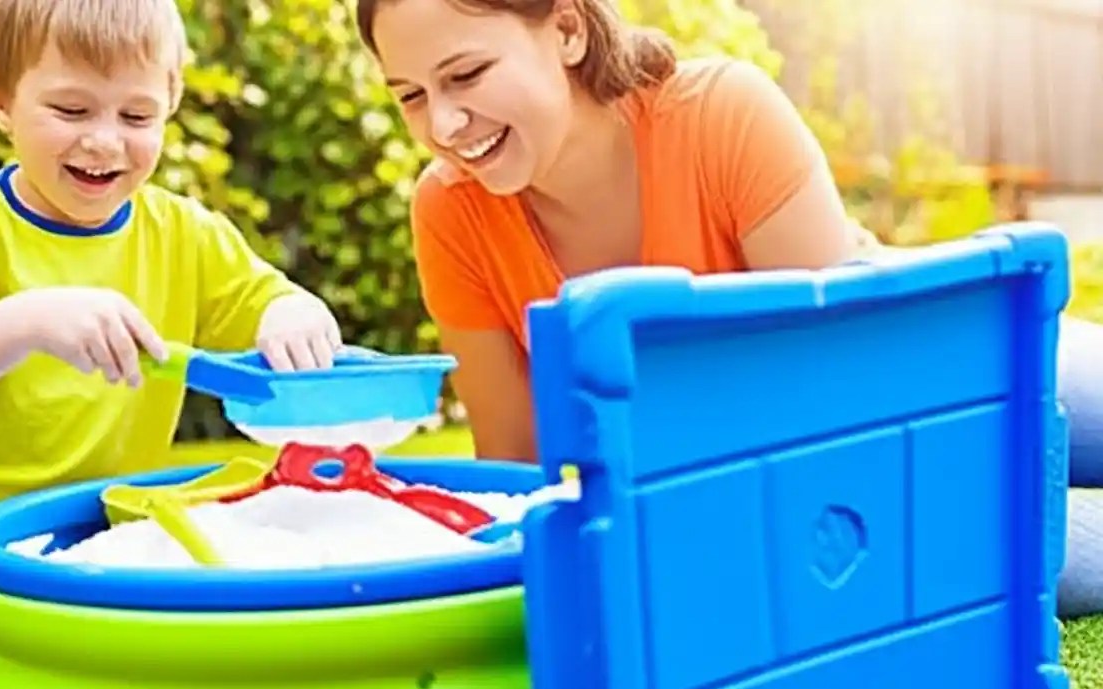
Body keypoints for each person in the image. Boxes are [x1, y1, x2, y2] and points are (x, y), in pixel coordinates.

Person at [355, 0, 1103, 618]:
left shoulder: (720, 113)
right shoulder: (450, 213)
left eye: (467, 74)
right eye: (412, 95)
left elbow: (842, 402)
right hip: (748, 479)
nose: (445, 125)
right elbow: (520, 470)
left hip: (909, 349)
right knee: (1015, 552)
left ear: (568, 29)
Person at [0, 0, 343, 689]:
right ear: (0, 101)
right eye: (70, 110)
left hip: (109, 537)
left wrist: (293, 311)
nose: (104, 143)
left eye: (135, 118)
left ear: (171, 105)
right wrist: (25, 322)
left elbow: (271, 301)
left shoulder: (184, 233)